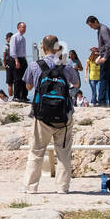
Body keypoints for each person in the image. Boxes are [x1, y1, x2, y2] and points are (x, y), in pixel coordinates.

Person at [21, 34, 81, 193]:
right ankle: (62, 188)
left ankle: (31, 187)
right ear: (57, 47)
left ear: (43, 47)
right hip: (64, 115)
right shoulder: (66, 65)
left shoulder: (35, 65)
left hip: (42, 116)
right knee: (63, 153)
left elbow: (28, 87)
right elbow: (76, 83)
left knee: (36, 151)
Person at [85, 15, 110, 107]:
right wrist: (99, 49)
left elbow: (109, 45)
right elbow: (107, 45)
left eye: (91, 25)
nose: (91, 28)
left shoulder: (103, 29)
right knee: (108, 80)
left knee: (103, 78)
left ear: (95, 22)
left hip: (108, 56)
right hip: (109, 55)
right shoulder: (101, 30)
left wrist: (105, 57)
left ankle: (101, 102)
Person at [7, 22, 29, 102]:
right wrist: (16, 61)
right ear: (19, 28)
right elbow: (13, 50)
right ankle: (16, 96)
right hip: (16, 59)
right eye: (22, 27)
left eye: (25, 28)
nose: (24, 29)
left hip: (23, 59)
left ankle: (24, 96)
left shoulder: (23, 38)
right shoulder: (14, 37)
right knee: (17, 78)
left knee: (25, 78)